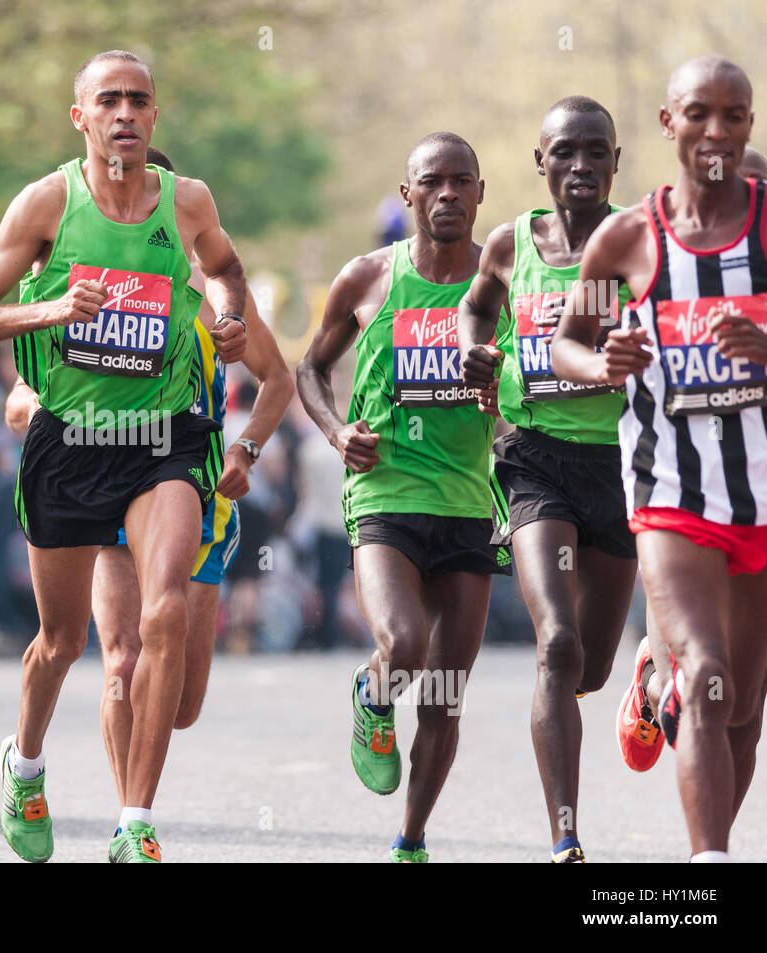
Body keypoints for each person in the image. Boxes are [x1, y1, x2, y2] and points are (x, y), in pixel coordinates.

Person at [0, 50, 248, 863]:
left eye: (138, 101)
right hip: (70, 443)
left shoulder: (188, 202)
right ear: (80, 117)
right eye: (108, 100)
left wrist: (226, 312)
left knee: (162, 614)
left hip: (163, 441)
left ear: (155, 117)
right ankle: (27, 762)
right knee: (62, 641)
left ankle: (135, 822)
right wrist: (49, 308)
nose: (124, 113)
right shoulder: (47, 203)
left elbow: (225, 270)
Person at [4, 146, 293, 831]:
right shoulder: (85, 295)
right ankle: (130, 821)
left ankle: (131, 801)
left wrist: (247, 449)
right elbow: (22, 395)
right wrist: (45, 411)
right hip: (107, 489)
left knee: (182, 700)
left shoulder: (209, 307)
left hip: (196, 499)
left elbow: (278, 380)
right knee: (122, 659)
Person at [553, 56, 767, 863]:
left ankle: (657, 679)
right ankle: (708, 866)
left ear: (749, 124)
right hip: (669, 490)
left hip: (760, 492)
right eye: (699, 113)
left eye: (735, 115)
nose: (716, 132)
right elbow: (569, 343)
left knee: (742, 703)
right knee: (709, 673)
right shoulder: (631, 238)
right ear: (667, 122)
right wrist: (603, 362)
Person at [297, 132, 508, 863]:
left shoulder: (504, 285)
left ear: (481, 194)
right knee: (406, 644)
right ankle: (372, 692)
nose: (448, 193)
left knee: (447, 694)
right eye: (433, 182)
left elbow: (534, 387)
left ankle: (411, 840)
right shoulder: (367, 278)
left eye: (462, 181)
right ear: (407, 194)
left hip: (469, 501)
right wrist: (334, 432)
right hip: (385, 489)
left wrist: (503, 399)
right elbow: (311, 367)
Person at [457, 97, 634, 863]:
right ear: (540, 164)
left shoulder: (638, 242)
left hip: (625, 466)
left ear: (616, 162)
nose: (581, 167)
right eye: (565, 152)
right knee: (556, 644)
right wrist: (478, 353)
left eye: (597, 153)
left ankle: (635, 678)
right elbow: (475, 309)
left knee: (592, 663)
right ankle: (564, 837)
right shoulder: (510, 242)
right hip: (535, 462)